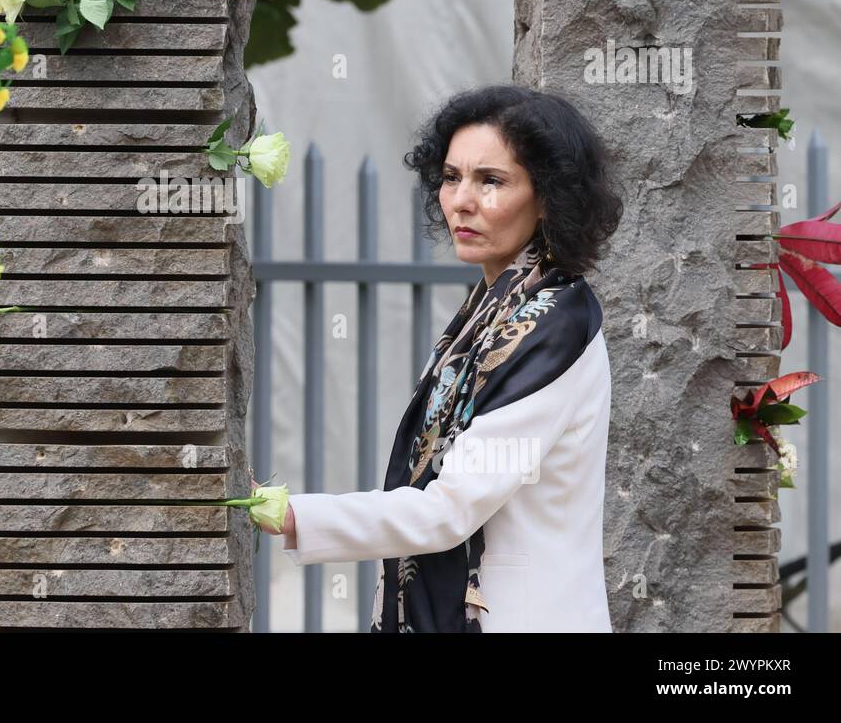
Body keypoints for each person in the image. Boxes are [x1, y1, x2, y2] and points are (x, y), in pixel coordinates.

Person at [255, 85, 624, 632]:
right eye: (452, 177)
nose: (460, 201)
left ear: (548, 197)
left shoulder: (551, 324)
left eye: (491, 181)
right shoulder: (493, 310)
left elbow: (451, 508)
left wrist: (294, 517)